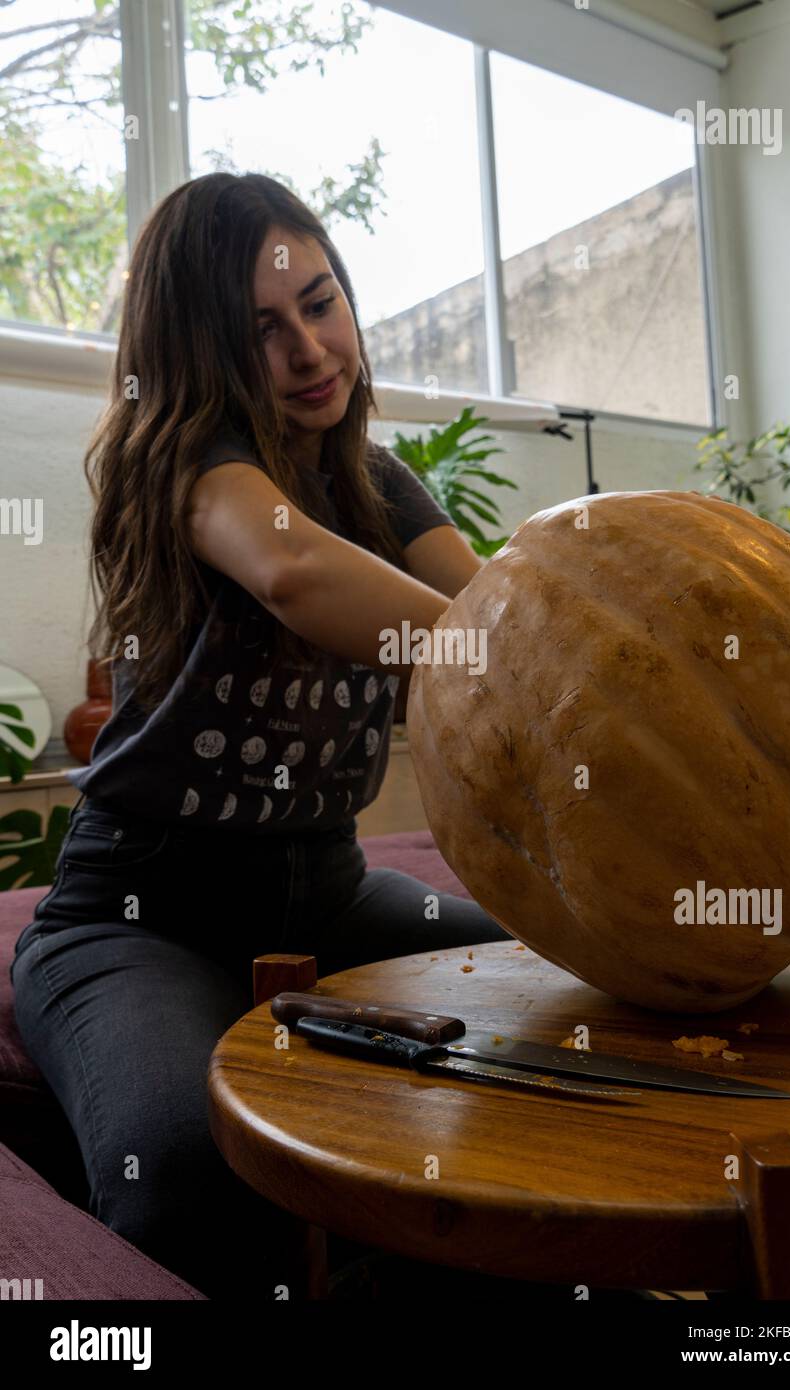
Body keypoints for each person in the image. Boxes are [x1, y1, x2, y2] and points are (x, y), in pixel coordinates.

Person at [11, 172, 511, 1300]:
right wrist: (514, 659)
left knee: (549, 984)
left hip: (327, 894)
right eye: (261, 332)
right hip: (138, 916)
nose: (308, 350)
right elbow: (289, 567)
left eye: (320, 303)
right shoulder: (179, 469)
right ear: (201, 355)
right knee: (184, 1170)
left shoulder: (383, 485)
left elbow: (487, 609)